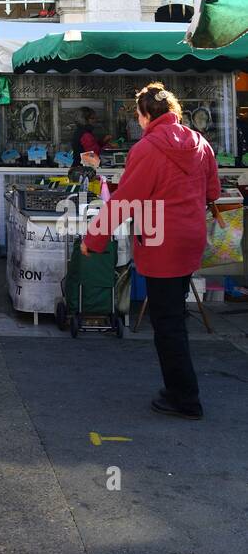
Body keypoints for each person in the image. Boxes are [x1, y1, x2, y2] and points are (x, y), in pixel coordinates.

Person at [82, 82, 220, 420]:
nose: (140, 123)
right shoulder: (200, 142)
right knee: (172, 316)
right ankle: (180, 391)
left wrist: (93, 238)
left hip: (161, 241)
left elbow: (126, 201)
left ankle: (185, 397)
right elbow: (212, 191)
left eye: (140, 117)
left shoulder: (147, 148)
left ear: (145, 116)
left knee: (168, 322)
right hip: (190, 238)